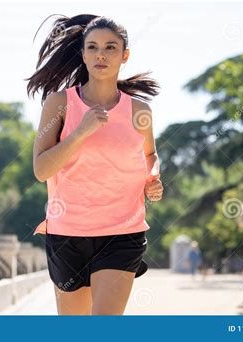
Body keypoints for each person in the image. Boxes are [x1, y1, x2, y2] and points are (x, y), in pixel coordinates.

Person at [27, 14, 163, 315]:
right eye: (93, 47)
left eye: (111, 47)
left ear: (124, 55)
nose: (101, 54)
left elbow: (150, 155)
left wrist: (153, 178)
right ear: (83, 53)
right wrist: (80, 133)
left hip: (122, 231)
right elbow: (41, 170)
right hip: (68, 233)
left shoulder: (140, 111)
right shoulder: (59, 104)